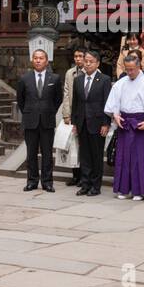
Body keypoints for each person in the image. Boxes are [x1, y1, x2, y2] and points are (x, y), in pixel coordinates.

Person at [104, 50, 144, 200]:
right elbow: (113, 103)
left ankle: (138, 190)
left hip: (139, 122)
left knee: (139, 157)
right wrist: (115, 115)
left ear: (139, 67)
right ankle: (123, 189)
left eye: (132, 69)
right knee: (122, 157)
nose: (129, 72)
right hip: (124, 122)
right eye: (127, 69)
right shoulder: (121, 82)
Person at [16, 48, 63, 191]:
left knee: (47, 153)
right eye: (35, 58)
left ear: (46, 60)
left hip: (47, 121)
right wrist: (30, 112)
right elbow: (20, 100)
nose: (38, 60)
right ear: (32, 60)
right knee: (31, 153)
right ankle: (32, 181)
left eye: (41, 58)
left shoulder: (54, 78)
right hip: (30, 121)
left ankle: (47, 182)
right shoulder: (25, 79)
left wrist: (48, 111)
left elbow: (58, 99)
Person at [71, 49, 112, 196]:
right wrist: (75, 123)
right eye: (86, 61)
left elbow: (108, 103)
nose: (87, 64)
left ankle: (96, 186)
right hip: (82, 122)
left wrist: (106, 123)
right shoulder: (78, 80)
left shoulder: (105, 80)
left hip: (97, 123)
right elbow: (75, 103)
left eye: (91, 62)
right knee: (84, 156)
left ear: (97, 63)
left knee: (96, 156)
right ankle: (85, 184)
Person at [61, 49, 87, 187]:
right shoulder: (70, 73)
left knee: (84, 147)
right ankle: (75, 175)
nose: (78, 59)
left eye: (80, 56)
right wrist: (66, 114)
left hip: (86, 115)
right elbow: (66, 93)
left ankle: (84, 175)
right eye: (76, 56)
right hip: (73, 113)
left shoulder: (93, 72)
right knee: (73, 146)